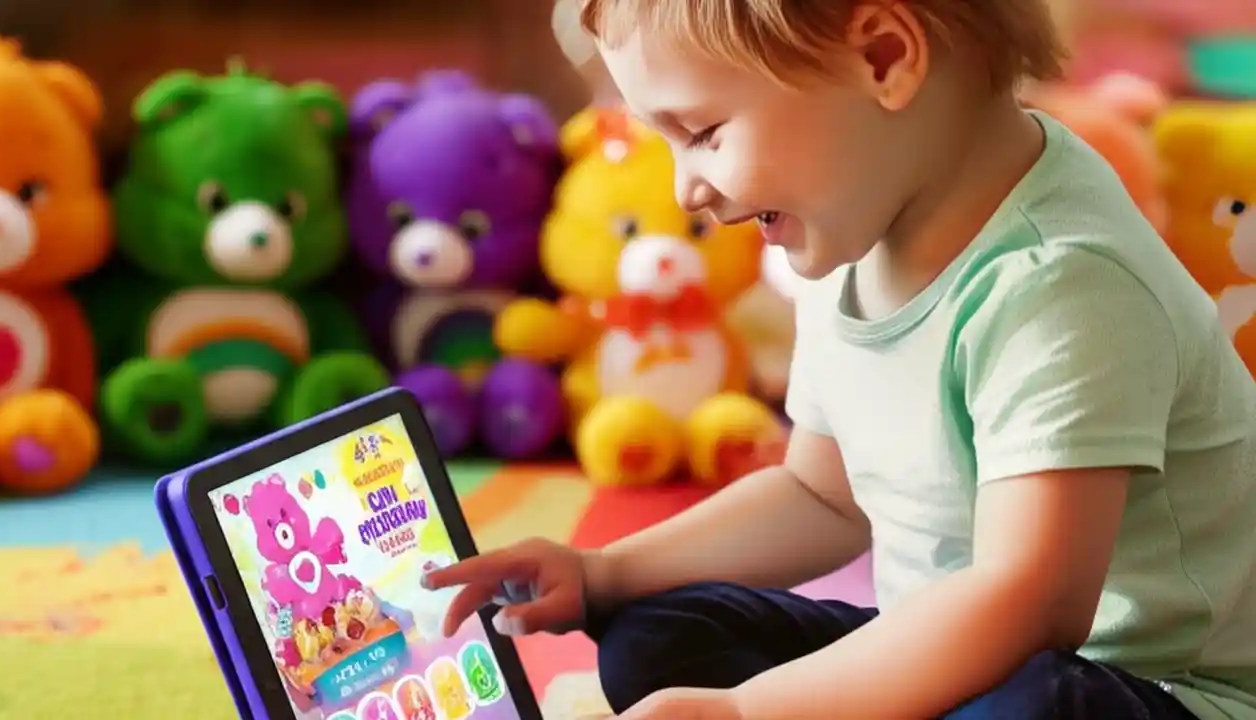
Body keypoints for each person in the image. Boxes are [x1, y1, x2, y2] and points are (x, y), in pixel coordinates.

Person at [422, 0, 1256, 717]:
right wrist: (604, 570)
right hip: (957, 645)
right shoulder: (854, 226)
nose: (686, 190)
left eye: (704, 133)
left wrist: (749, 710)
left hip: (1147, 688)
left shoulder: (1061, 282)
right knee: (660, 638)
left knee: (1035, 706)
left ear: (884, 58)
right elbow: (820, 496)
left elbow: (1031, 605)